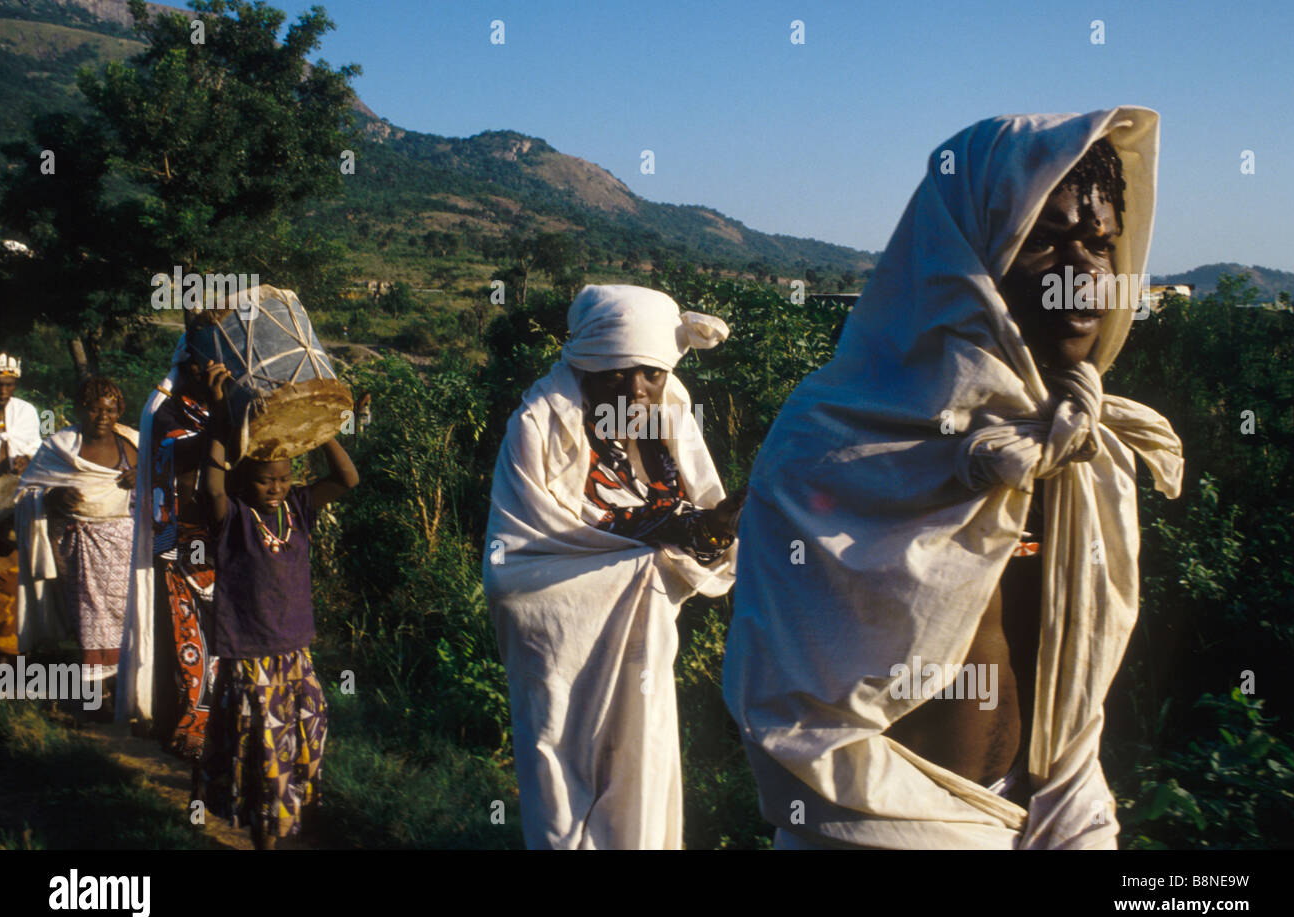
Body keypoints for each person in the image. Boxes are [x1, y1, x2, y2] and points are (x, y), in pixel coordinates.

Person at [722, 107, 1184, 849]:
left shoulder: (1083, 450)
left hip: (1055, 814)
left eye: (1101, 243)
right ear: (966, 252)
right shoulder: (831, 439)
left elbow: (1074, 691)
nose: (1086, 273)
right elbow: (784, 702)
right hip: (879, 827)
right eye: (1049, 240)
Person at [484, 284, 745, 849]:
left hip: (643, 637)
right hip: (560, 638)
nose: (635, 389)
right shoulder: (541, 424)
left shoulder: (668, 415)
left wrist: (714, 527)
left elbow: (700, 527)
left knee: (640, 768)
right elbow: (519, 561)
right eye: (615, 373)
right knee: (562, 780)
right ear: (585, 366)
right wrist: (663, 542)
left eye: (650, 372)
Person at [195, 362, 358, 850]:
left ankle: (284, 828)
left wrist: (316, 427)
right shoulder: (234, 519)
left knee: (307, 738)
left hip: (296, 654)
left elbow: (347, 478)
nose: (277, 487)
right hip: (252, 657)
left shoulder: (298, 511)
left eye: (284, 478)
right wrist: (222, 421)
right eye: (266, 480)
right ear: (246, 483)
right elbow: (211, 488)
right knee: (266, 756)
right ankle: (266, 840)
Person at [117, 336, 223, 761]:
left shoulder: (228, 407)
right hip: (180, 545)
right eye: (202, 367)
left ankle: (227, 721)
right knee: (184, 635)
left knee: (224, 634)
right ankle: (185, 725)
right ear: (189, 370)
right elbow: (184, 452)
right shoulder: (169, 414)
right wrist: (225, 415)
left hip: (222, 544)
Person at [15, 377, 138, 714]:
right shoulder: (60, 447)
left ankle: (122, 685)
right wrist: (54, 496)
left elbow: (159, 482)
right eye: (95, 408)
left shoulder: (133, 444)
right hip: (78, 542)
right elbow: (26, 492)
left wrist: (141, 475)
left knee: (126, 613)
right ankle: (95, 693)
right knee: (89, 614)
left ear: (119, 412)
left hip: (124, 543)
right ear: (81, 410)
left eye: (110, 409)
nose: (103, 415)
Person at [0, 352, 41, 664]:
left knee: (10, 572)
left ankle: (8, 649)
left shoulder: (26, 412)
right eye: (0, 384)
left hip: (11, 502)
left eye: (9, 385)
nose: (3, 391)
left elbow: (35, 448)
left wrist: (26, 458)